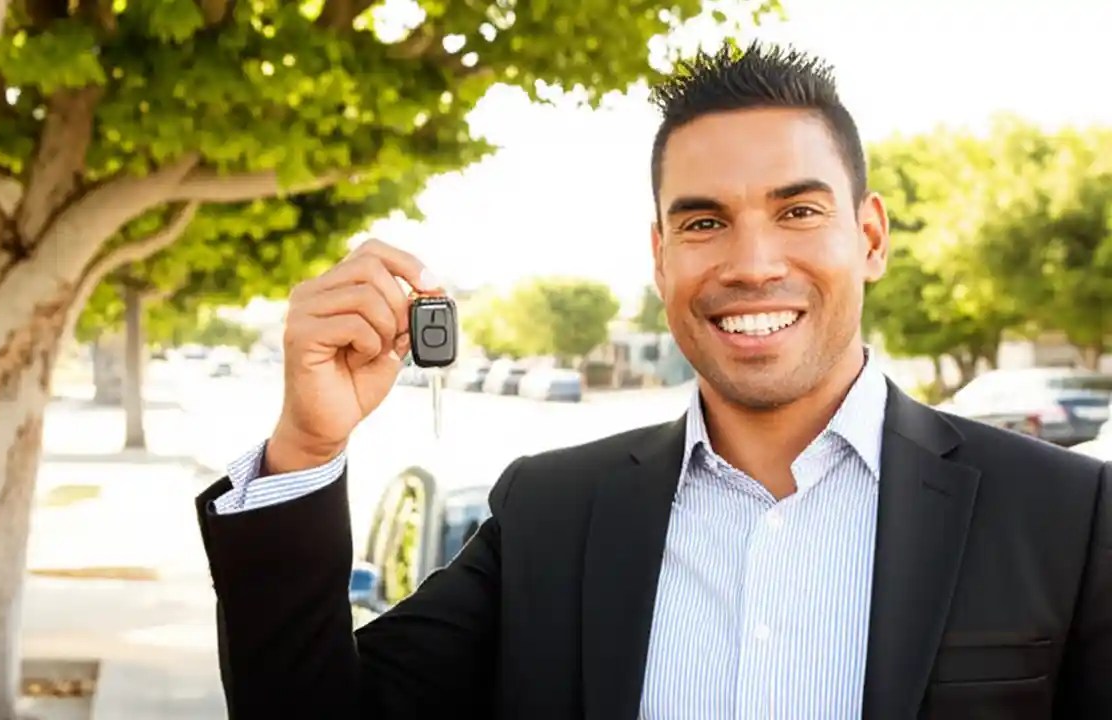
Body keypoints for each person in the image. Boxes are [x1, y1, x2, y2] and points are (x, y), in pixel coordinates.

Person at [195, 43, 1111, 719]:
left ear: (869, 237)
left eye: (798, 210)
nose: (753, 263)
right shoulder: (553, 514)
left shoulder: (1068, 517)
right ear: (660, 253)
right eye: (704, 222)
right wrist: (307, 448)